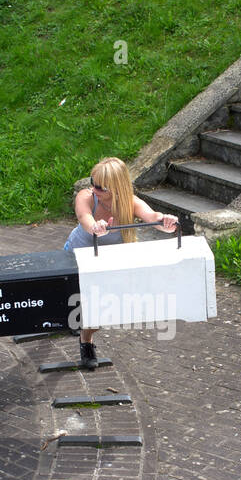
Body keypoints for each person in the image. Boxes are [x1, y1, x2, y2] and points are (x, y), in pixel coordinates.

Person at [63, 157, 179, 370]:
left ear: (116, 187)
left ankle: (86, 340)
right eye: (93, 181)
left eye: (101, 186)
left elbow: (152, 216)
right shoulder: (87, 196)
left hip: (106, 262)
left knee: (99, 308)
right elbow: (84, 217)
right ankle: (76, 320)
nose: (94, 188)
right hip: (77, 256)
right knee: (70, 301)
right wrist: (95, 227)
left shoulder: (130, 202)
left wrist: (166, 223)